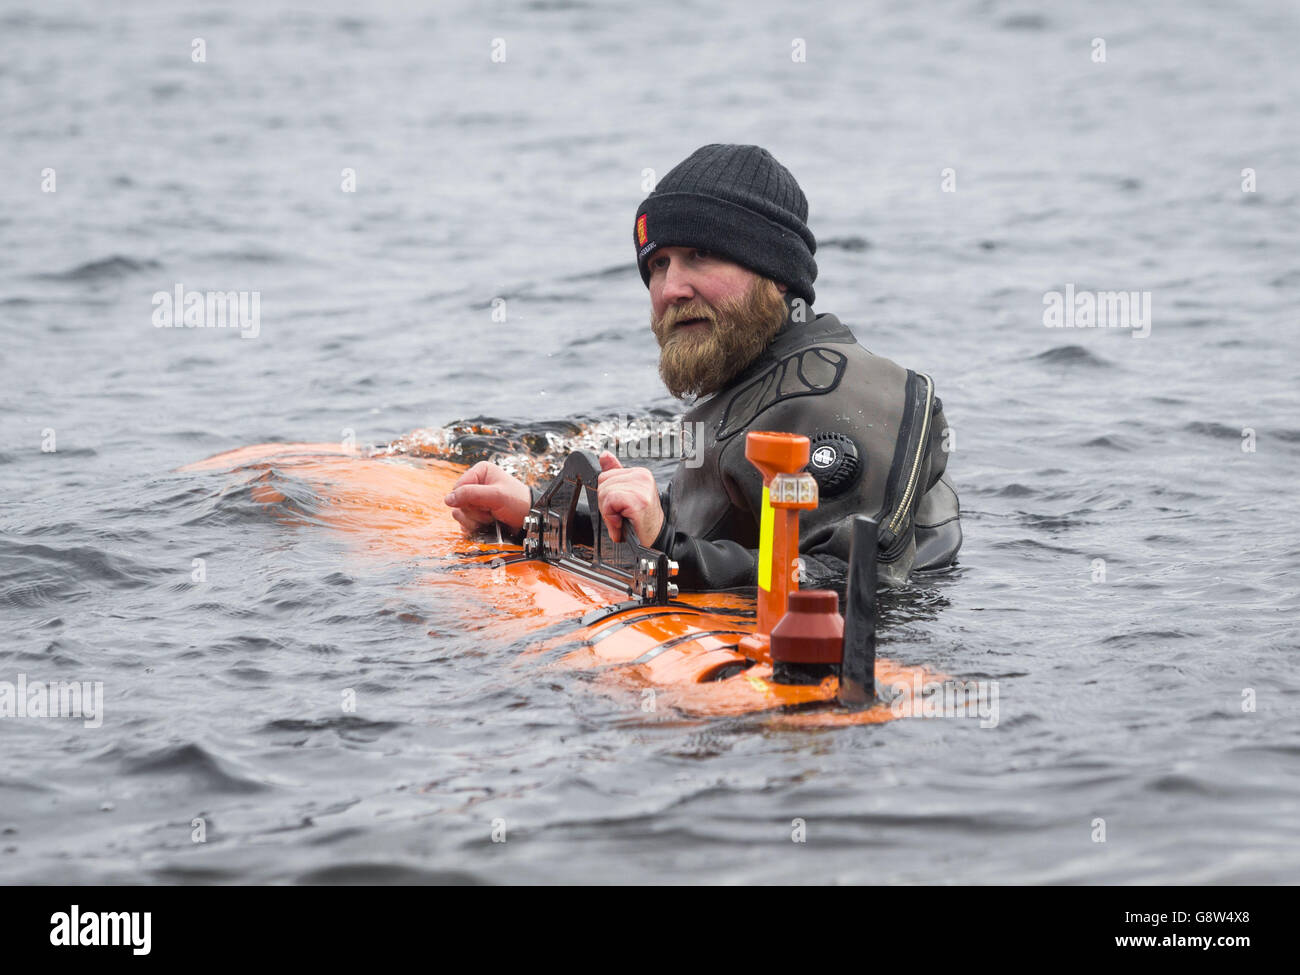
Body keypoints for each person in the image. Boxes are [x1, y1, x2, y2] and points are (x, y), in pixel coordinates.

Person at [445, 144, 961, 589]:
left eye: (701, 256)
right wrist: (538, 512)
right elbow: (709, 533)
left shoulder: (839, 395)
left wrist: (668, 548)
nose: (672, 289)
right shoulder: (745, 389)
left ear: (777, 276)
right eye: (658, 265)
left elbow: (855, 578)